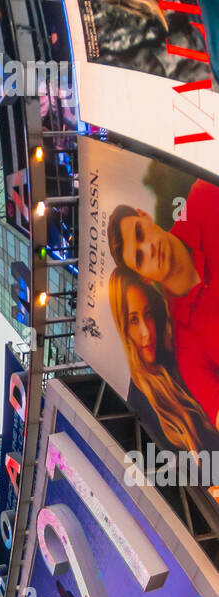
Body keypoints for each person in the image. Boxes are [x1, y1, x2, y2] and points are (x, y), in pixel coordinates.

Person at [108, 181, 219, 423]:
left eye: (140, 233)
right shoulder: (188, 351)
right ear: (143, 278)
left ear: (144, 216)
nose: (148, 248)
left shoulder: (204, 197)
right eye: (139, 257)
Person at [108, 267, 218, 456]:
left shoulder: (175, 353)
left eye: (148, 313)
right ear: (123, 327)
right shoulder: (139, 400)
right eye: (134, 320)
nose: (146, 332)